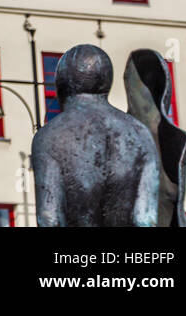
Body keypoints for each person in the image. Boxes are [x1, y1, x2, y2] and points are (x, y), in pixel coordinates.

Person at [31, 44, 159, 226]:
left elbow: (49, 218)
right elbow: (146, 219)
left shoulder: (50, 136)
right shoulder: (140, 133)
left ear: (62, 84)